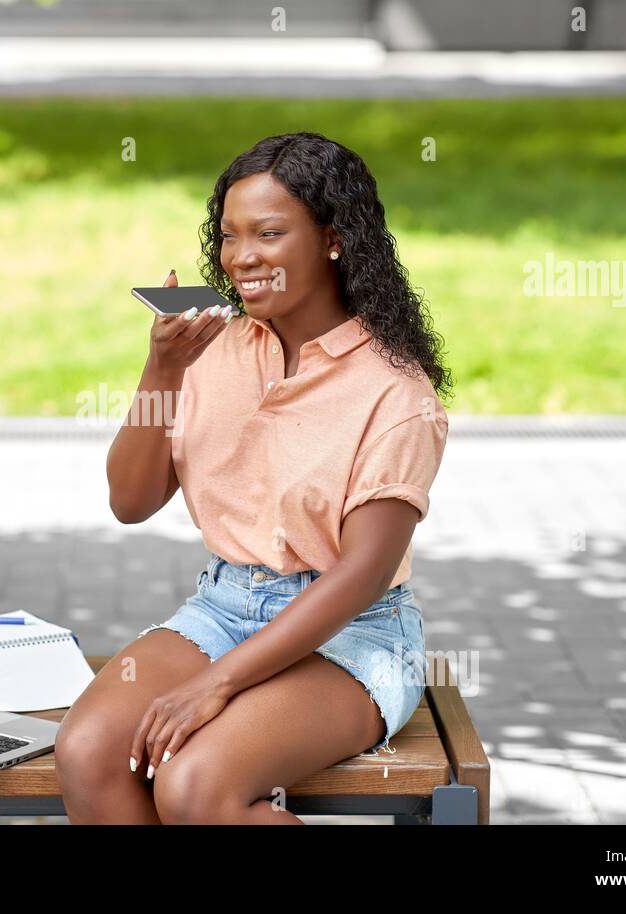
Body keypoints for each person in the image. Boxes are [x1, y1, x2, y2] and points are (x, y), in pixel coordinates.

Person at [55, 132, 453, 825]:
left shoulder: (396, 392)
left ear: (333, 238)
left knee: (192, 787)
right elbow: (130, 500)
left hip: (354, 633)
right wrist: (164, 371)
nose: (242, 258)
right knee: (89, 751)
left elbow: (359, 575)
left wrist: (217, 686)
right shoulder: (211, 347)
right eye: (230, 236)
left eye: (269, 234)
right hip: (223, 607)